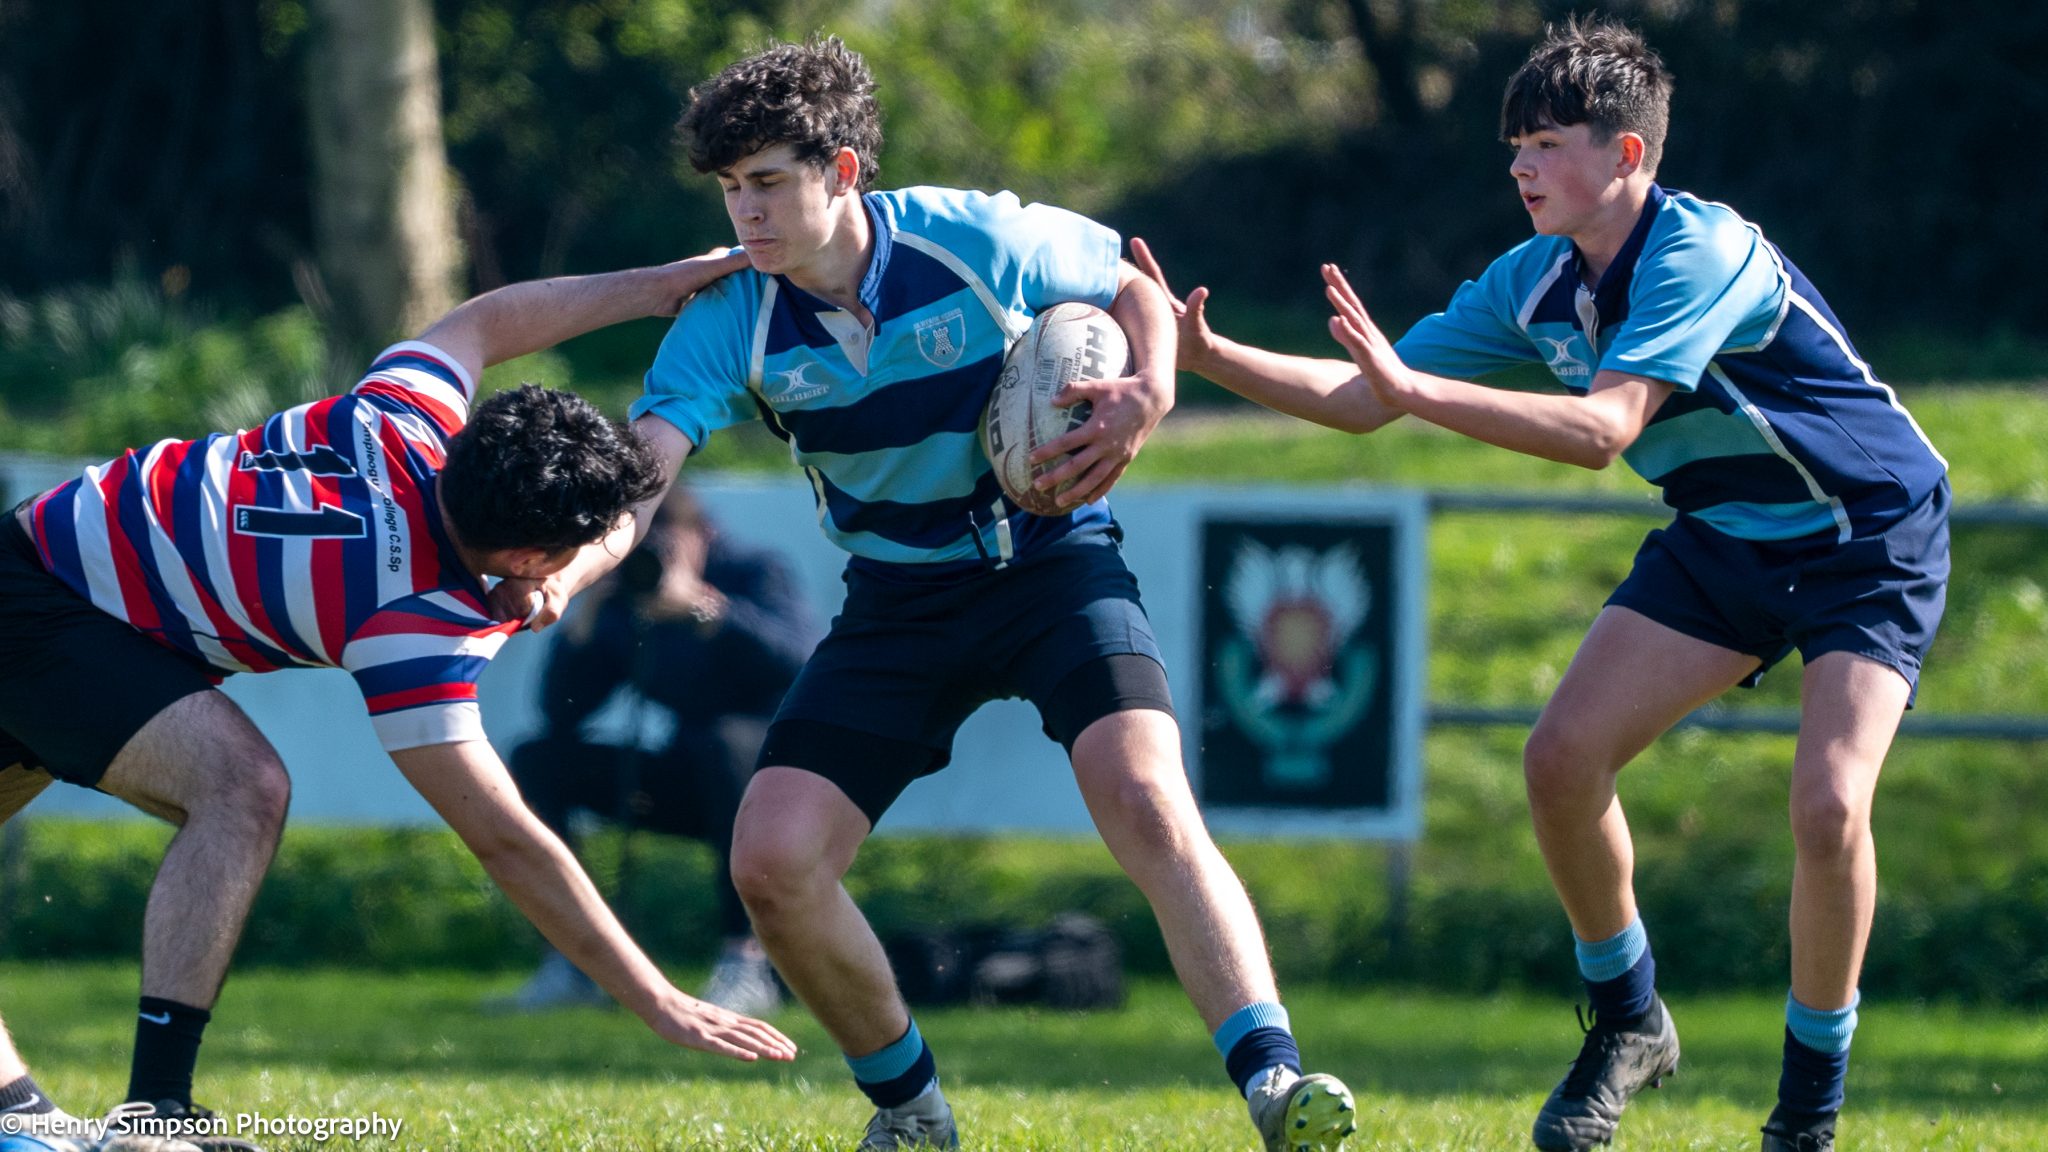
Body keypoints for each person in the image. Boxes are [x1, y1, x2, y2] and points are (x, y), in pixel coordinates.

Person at [516, 35, 1357, 1152]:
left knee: (1146, 798)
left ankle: (1270, 1082)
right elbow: (647, 464)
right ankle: (912, 1111)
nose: (746, 216)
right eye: (729, 190)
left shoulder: (975, 237)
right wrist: (573, 567)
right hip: (898, 601)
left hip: (1047, 560)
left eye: (768, 182)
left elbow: (1130, 288)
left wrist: (1148, 392)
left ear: (845, 170)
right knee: (770, 862)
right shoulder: (734, 318)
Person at [1134, 16, 1948, 1152]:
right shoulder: (1531, 280)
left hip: (1865, 534)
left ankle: (1804, 1112)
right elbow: (1367, 394)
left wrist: (1415, 393)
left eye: (1547, 142)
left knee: (1825, 805)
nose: (1519, 165)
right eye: (1513, 144)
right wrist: (1209, 356)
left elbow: (1599, 430)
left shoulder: (1697, 254)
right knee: (1558, 761)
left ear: (1626, 156)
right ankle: (1627, 1018)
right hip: (1726, 532)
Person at [0, 251, 797, 1152]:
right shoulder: (415, 627)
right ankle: (157, 1116)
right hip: (45, 608)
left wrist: (654, 287)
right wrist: (655, 998)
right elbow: (508, 840)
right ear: (535, 557)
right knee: (241, 788)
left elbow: (484, 324)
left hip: (54, 574)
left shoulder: (403, 420)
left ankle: (15, 1118)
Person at [496, 484, 813, 1017]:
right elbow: (562, 711)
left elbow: (800, 662)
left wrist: (705, 609)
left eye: (664, 542)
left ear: (703, 535)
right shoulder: (627, 599)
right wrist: (588, 614)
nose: (652, 557)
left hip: (771, 784)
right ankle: (574, 961)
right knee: (538, 758)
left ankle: (748, 962)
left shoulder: (753, 571)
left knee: (722, 743)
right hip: (687, 779)